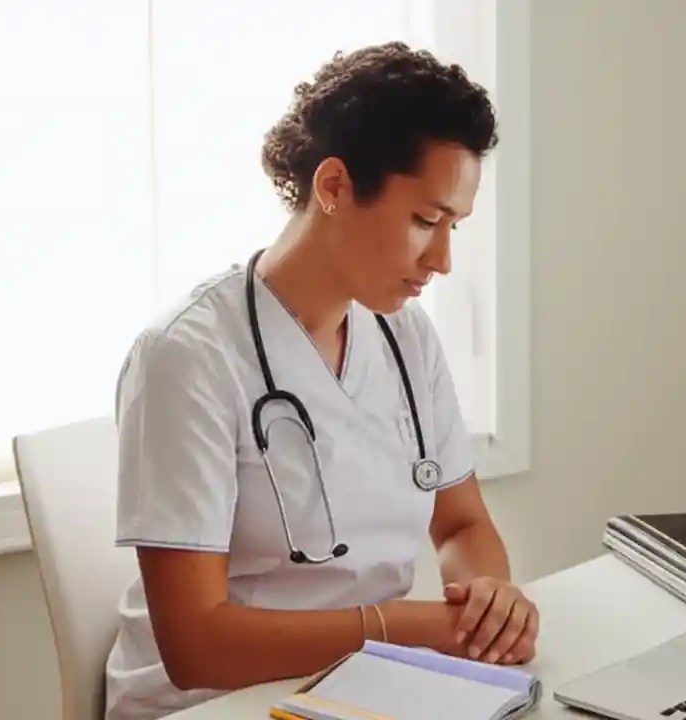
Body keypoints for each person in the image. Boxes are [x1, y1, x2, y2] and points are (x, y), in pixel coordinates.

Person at [104, 41, 538, 720]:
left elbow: (460, 525)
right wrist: (408, 628)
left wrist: (487, 601)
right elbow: (195, 646)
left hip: (361, 689)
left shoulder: (406, 337)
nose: (444, 260)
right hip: (215, 705)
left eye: (455, 226)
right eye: (426, 220)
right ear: (332, 186)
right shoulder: (187, 358)